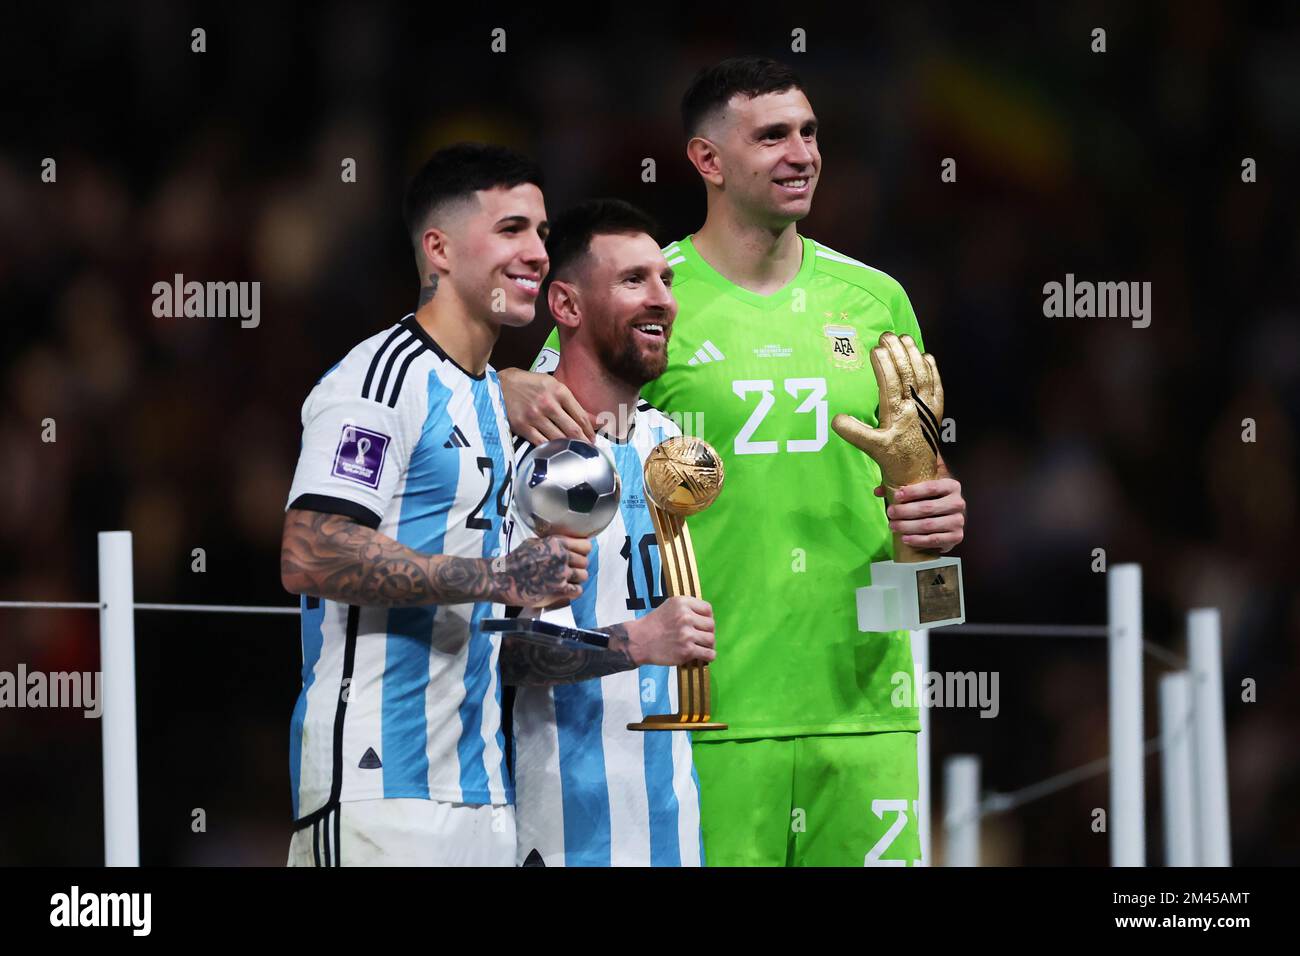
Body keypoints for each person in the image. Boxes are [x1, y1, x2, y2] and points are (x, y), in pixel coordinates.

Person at [499, 58, 967, 866]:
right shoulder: (651, 296)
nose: (802, 153)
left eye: (811, 133)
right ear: (708, 161)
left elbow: (921, 553)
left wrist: (934, 537)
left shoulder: (877, 302)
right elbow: (541, 423)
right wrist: (502, 383)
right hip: (706, 717)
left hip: (868, 715)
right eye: (773, 136)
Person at [278, 142, 590, 866]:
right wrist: (499, 578)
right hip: (376, 789)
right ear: (439, 249)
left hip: (482, 795)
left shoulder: (490, 397)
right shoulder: (381, 376)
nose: (539, 253)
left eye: (542, 233)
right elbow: (309, 549)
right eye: (511, 229)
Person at [497, 199, 716, 866]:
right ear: (565, 306)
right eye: (633, 281)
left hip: (670, 829)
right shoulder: (510, 445)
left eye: (665, 280)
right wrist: (638, 643)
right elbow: (492, 656)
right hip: (553, 834)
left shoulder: (671, 444)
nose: (662, 300)